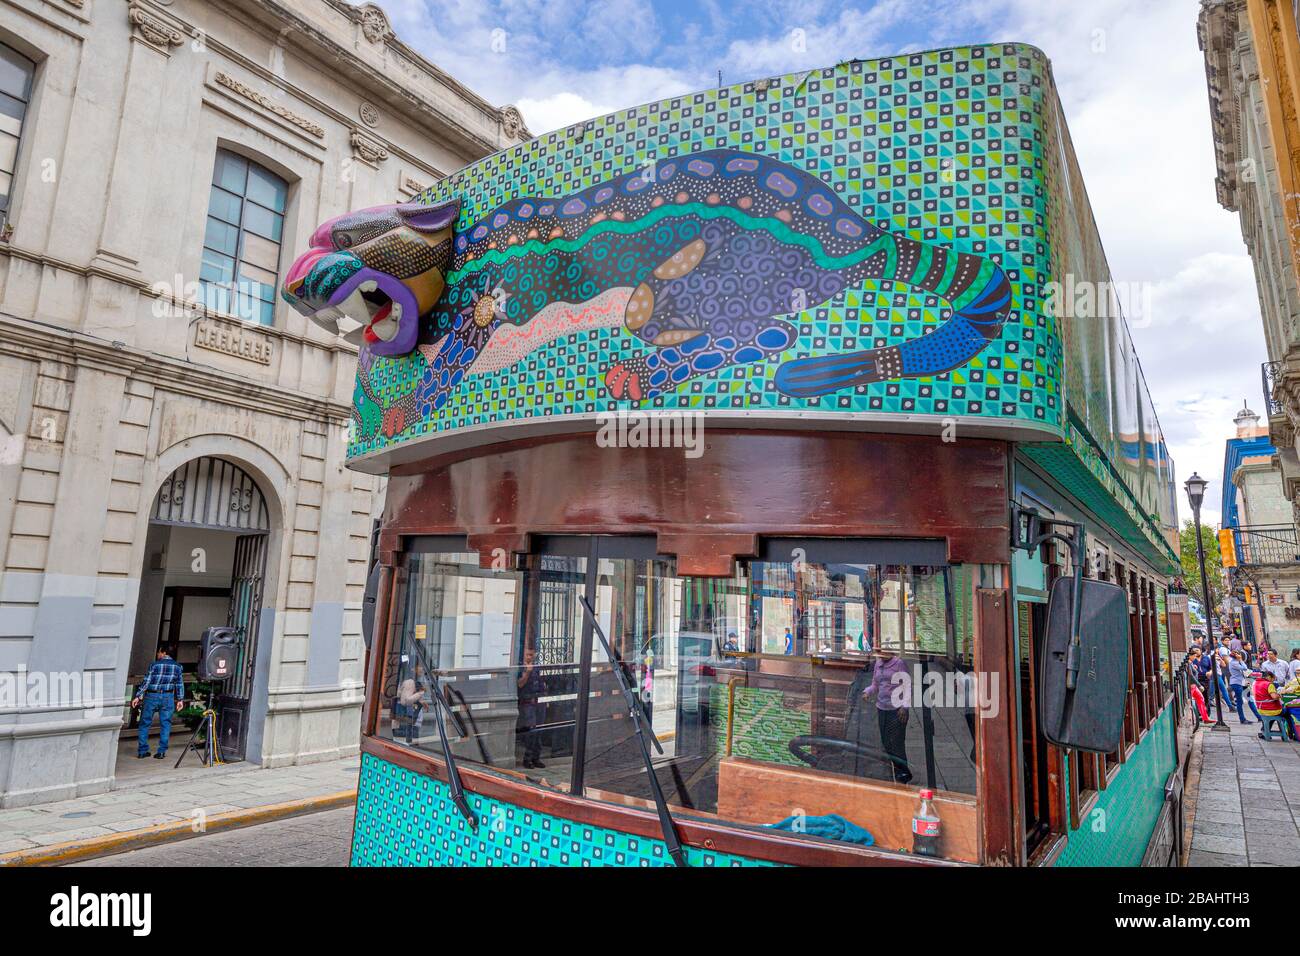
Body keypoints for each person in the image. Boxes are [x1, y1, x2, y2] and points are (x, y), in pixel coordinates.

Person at [862, 648, 912, 785]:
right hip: (881, 708)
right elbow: (875, 684)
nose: (880, 655)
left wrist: (905, 707)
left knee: (896, 743)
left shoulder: (899, 663)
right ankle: (895, 771)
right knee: (886, 743)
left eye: (882, 652)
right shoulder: (878, 663)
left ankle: (904, 774)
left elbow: (907, 686)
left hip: (897, 709)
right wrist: (867, 692)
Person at [132, 645, 185, 759]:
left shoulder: (154, 665)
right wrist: (180, 699)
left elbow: (146, 681)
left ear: (164, 652)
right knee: (165, 724)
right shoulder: (178, 667)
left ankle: (142, 751)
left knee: (145, 723)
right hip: (168, 696)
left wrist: (138, 696)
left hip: (152, 695)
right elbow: (179, 684)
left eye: (159, 652)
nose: (157, 654)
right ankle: (161, 752)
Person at [517, 645, 547, 769]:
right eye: (528, 655)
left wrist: (545, 696)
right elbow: (519, 684)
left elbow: (541, 683)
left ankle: (536, 758)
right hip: (527, 702)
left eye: (532, 654)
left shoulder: (536, 667)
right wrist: (527, 672)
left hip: (538, 702)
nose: (530, 657)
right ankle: (527, 759)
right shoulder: (520, 667)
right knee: (531, 730)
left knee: (538, 730)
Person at [1254, 668, 1297, 740]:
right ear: (1269, 677)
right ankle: (1292, 734)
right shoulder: (1269, 684)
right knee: (1287, 713)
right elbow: (1274, 697)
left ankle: (1265, 731)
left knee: (1274, 715)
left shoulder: (1257, 683)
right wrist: (1280, 695)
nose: (1273, 681)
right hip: (1270, 709)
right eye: (1273, 679)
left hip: (1261, 709)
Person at [395, 658, 427, 745]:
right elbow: (406, 701)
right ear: (413, 668)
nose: (422, 669)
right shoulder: (410, 682)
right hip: (409, 724)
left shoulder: (415, 682)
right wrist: (420, 694)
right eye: (420, 666)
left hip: (413, 722)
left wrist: (421, 701)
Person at [1227, 651, 1258, 724]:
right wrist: (1240, 660)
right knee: (1240, 702)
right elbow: (1244, 668)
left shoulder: (1236, 662)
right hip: (1237, 683)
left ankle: (1258, 717)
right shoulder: (1234, 663)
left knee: (1250, 699)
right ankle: (1242, 719)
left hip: (1243, 681)